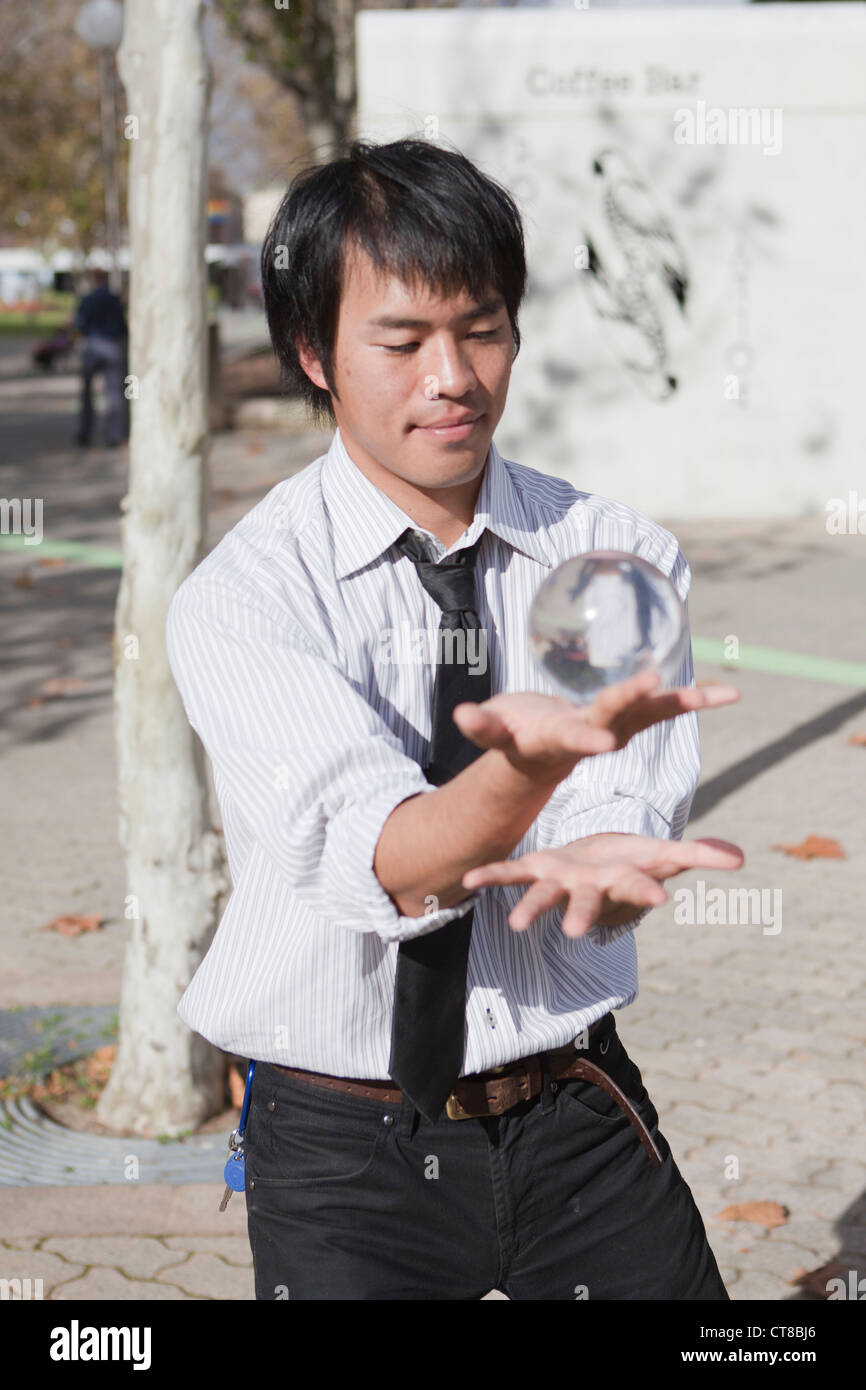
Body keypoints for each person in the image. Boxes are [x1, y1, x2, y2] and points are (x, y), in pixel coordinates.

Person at [165, 138, 744, 1301]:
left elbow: (619, 797)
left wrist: (604, 840)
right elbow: (382, 854)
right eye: (402, 339)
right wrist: (524, 775)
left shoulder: (611, 559)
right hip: (339, 1144)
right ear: (309, 351)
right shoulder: (244, 596)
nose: (453, 376)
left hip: (571, 1106)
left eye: (481, 329)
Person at [74, 267, 128, 447]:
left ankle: (86, 431)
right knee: (114, 393)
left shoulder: (88, 299)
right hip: (112, 346)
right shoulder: (114, 299)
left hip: (93, 345)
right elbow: (122, 325)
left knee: (87, 393)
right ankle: (114, 435)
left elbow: (80, 324)